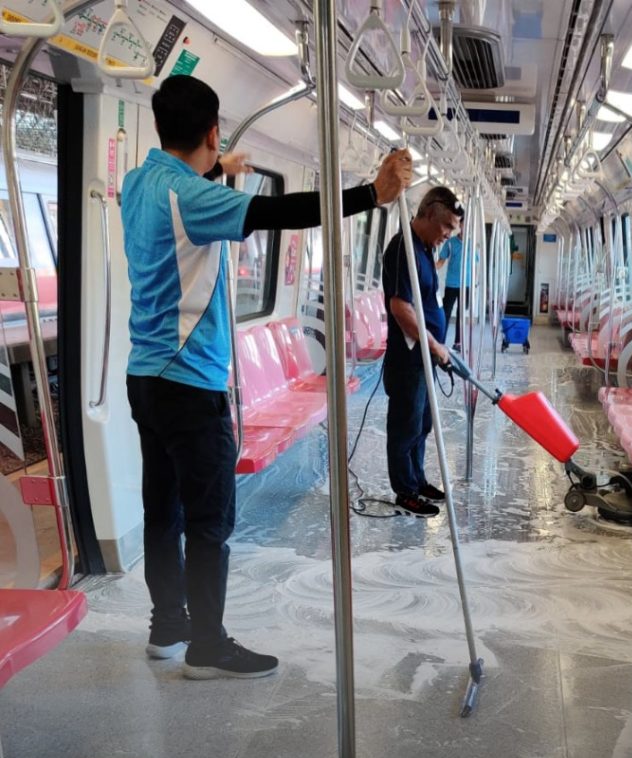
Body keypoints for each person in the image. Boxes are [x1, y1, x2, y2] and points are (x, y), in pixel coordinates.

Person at [122, 75, 412, 679]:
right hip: (190, 380)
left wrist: (216, 165)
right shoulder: (194, 198)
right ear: (211, 130)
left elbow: (184, 193)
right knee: (209, 519)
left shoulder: (139, 182)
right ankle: (207, 646)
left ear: (159, 130)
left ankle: (167, 628)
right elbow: (285, 210)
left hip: (144, 377)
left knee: (162, 509)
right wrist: (371, 194)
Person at [381, 186, 463, 518]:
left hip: (426, 357)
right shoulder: (403, 247)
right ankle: (405, 491)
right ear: (427, 213)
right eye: (446, 226)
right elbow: (401, 308)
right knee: (406, 424)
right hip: (409, 357)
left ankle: (417, 479)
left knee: (422, 423)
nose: (448, 235)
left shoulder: (426, 247)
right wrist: (433, 345)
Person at [436, 222, 467, 351]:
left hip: (467, 284)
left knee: (461, 314)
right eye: (464, 224)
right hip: (452, 283)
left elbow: (475, 265)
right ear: (460, 225)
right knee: (446, 313)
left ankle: (458, 342)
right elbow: (441, 261)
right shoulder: (450, 243)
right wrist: (429, 269)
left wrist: (475, 282)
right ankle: (441, 340)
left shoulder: (472, 244)